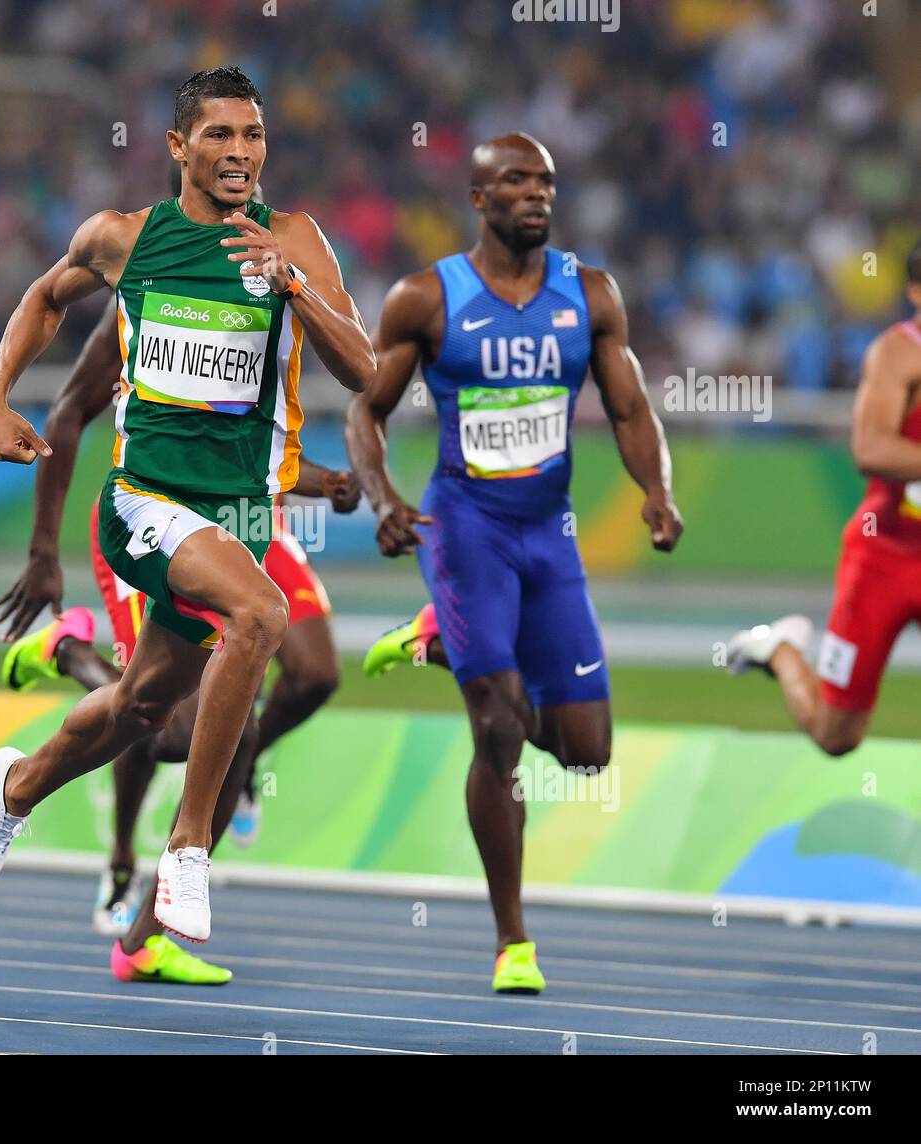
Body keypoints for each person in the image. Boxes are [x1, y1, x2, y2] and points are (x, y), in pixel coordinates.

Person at [0, 65, 374, 946]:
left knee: (139, 710)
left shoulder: (294, 239)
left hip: (239, 519)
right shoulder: (124, 239)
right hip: (144, 504)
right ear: (178, 145)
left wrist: (294, 288)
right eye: (221, 135)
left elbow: (366, 369)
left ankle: (15, 790)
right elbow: (44, 297)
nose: (240, 153)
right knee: (260, 618)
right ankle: (187, 848)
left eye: (254, 136)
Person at [346, 132, 683, 993]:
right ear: (479, 197)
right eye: (516, 182)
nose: (537, 194)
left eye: (546, 182)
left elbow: (632, 406)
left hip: (551, 535)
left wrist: (656, 492)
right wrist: (384, 499)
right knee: (496, 729)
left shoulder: (591, 294)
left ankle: (435, 642)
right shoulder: (426, 299)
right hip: (466, 533)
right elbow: (366, 412)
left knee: (587, 753)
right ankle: (513, 941)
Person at [727, 239, 921, 756]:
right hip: (885, 557)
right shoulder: (899, 353)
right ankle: (783, 651)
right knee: (836, 737)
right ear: (915, 291)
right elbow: (871, 447)